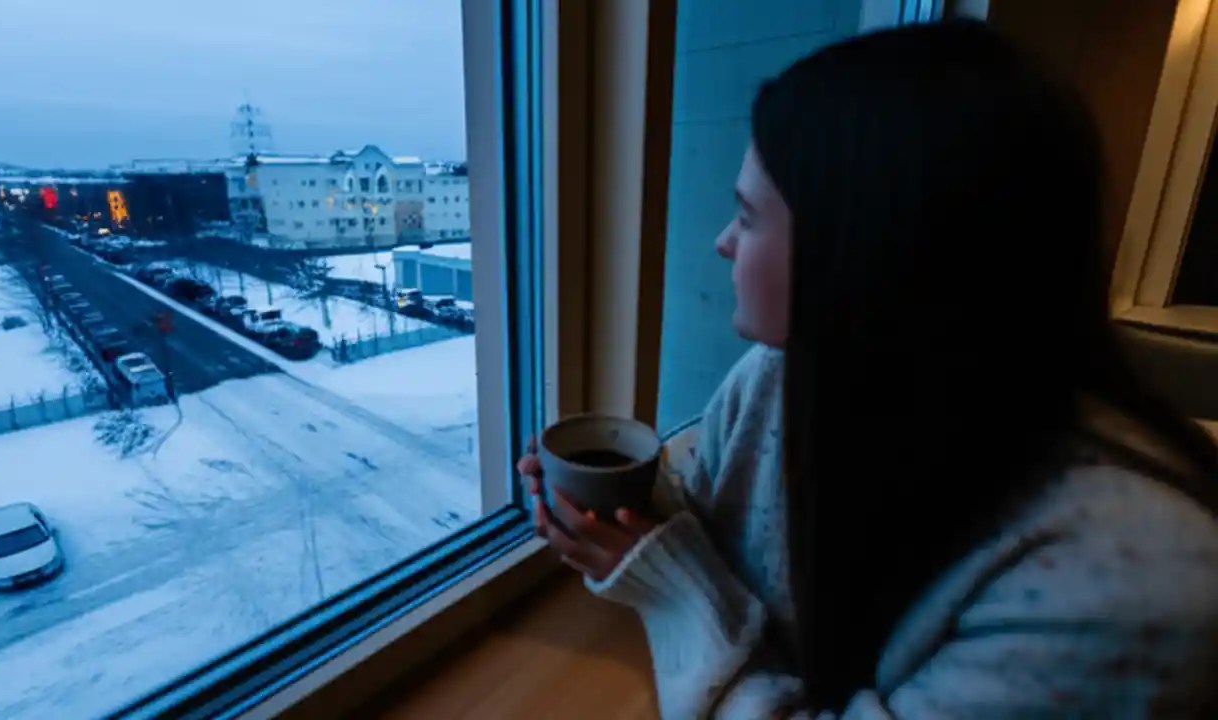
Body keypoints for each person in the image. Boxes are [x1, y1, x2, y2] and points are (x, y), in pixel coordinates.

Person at [518, 21, 1218, 719]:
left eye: (749, 216)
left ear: (871, 249)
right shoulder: (778, 380)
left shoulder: (1125, 591)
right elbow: (718, 544)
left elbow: (707, 588)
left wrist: (670, 590)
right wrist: (622, 516)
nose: (723, 242)